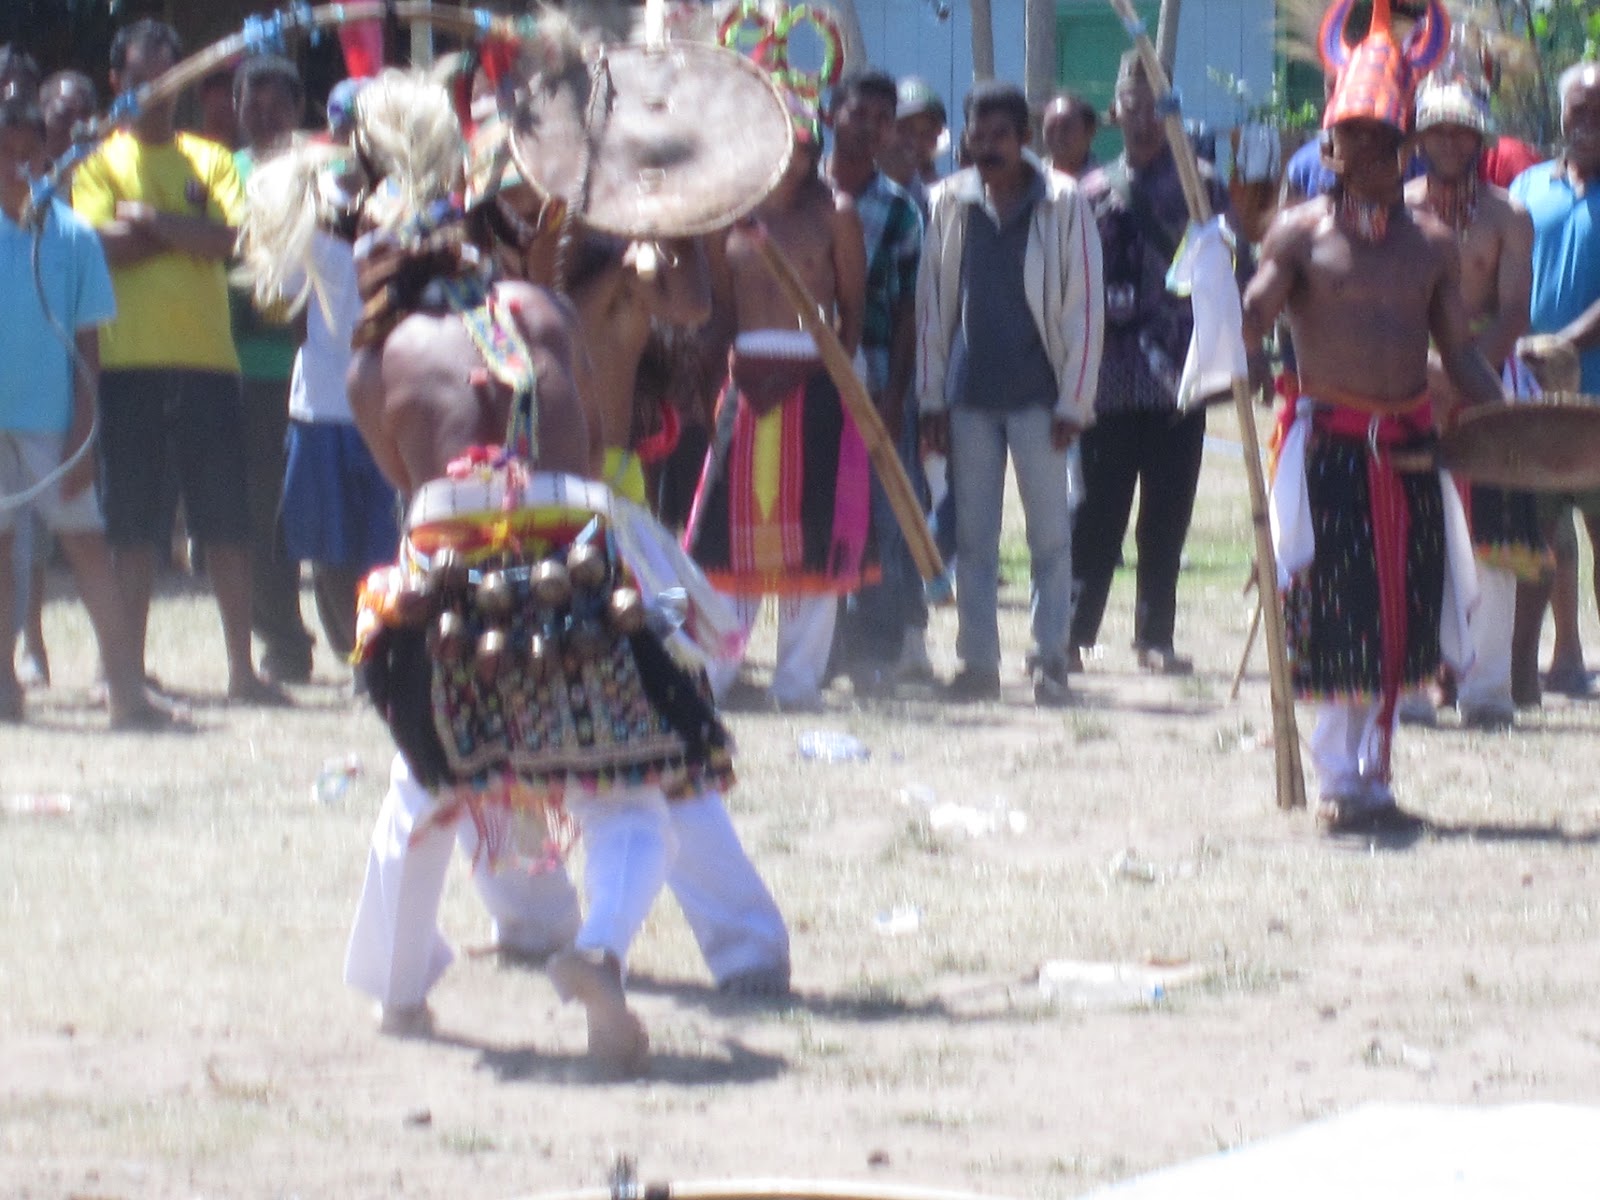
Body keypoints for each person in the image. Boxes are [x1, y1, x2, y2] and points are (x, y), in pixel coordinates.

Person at [1242, 0, 1504, 833]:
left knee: (1399, 616)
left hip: (1413, 448)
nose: (1370, 153)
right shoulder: (1297, 234)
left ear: (1405, 148)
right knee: (1338, 611)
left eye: (1385, 140)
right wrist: (1225, 287)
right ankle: (1335, 780)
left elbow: (1460, 355)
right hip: (1331, 451)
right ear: (1331, 144)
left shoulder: (1430, 244)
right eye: (1354, 136)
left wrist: (1509, 421)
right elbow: (1249, 324)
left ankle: (1376, 777)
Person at [71, 19, 287, 705]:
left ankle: (240, 670)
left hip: (209, 364)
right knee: (133, 527)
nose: (155, 95)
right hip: (128, 366)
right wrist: (180, 235)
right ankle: (129, 672)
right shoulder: (98, 161)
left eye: (166, 81)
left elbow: (231, 238)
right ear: (118, 83)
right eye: (142, 82)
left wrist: (152, 222)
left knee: (226, 521)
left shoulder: (212, 157)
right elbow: (101, 247)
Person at [916, 80, 1105, 706]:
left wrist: (1075, 403)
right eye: (979, 135)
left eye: (1002, 135)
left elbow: (1083, 309)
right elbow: (932, 309)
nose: (990, 146)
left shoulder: (1063, 201)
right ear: (965, 139)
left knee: (1050, 539)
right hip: (969, 397)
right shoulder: (949, 201)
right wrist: (932, 400)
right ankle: (977, 664)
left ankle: (1050, 660)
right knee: (974, 541)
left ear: (1024, 139)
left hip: (1039, 400)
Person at [687, 99, 870, 711]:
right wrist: (712, 385)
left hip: (815, 380)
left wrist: (840, 381)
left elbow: (852, 308)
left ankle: (797, 682)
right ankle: (715, 674)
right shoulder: (726, 220)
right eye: (779, 150)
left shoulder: (835, 214)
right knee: (720, 540)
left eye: (801, 151)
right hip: (743, 386)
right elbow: (719, 312)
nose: (791, 164)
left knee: (812, 537)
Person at [1070, 53, 1249, 677]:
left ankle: (1155, 638)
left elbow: (1232, 276)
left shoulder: (1202, 186)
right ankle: (1076, 638)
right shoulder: (1089, 192)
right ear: (1115, 112)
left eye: (1154, 106)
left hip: (1181, 380)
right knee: (1095, 516)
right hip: (1108, 381)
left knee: (1166, 520)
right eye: (1131, 106)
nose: (1142, 119)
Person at [0, 94, 172, 728]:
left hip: (52, 423)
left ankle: (126, 690)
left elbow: (88, 347)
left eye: (29, 151)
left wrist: (82, 430)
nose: (19, 164)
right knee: (1, 552)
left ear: (46, 154)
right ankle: (4, 688)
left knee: (87, 547)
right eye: (6, 152)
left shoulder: (72, 237)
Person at [1404, 70, 1537, 730]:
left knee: (1494, 542)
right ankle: (1417, 682)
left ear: (1480, 137)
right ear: (1421, 136)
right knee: (1412, 530)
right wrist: (1426, 367)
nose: (1451, 142)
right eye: (1440, 130)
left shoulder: (1508, 215)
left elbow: (1514, 312)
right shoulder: (1400, 209)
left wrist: (1463, 370)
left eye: (1463, 131)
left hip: (1486, 387)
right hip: (1410, 386)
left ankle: (1486, 690)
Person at [258, 78, 400, 681]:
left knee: (387, 546)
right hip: (321, 403)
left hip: (390, 404)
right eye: (349, 129)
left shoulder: (406, 203)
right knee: (330, 550)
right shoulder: (308, 208)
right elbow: (286, 307)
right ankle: (357, 657)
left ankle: (387, 658)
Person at [822, 70, 930, 694]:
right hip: (810, 367)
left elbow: (913, 307)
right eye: (859, 113)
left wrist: (895, 394)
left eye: (882, 119)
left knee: (886, 509)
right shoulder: (802, 195)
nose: (870, 127)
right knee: (820, 505)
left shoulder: (901, 208)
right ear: (832, 112)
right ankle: (826, 644)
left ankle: (883, 648)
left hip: (881, 364)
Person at [1508, 61, 1600, 707]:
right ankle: (1563, 654)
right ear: (1561, 111)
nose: (1588, 120)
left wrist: (1564, 344)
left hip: (1595, 393)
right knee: (1545, 531)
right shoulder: (1527, 185)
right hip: (1530, 396)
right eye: (1578, 107)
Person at [231, 53, 316, 684]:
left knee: (331, 508)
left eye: (276, 105)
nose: (264, 118)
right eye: (251, 106)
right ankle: (283, 642)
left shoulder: (325, 169)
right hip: (249, 368)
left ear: (299, 109)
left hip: (321, 368)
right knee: (261, 513)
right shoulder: (220, 174)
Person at [1042, 91, 1098, 179]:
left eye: (1066, 128)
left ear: (1090, 132)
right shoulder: (1032, 181)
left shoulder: (1108, 183)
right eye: (1051, 128)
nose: (1057, 136)